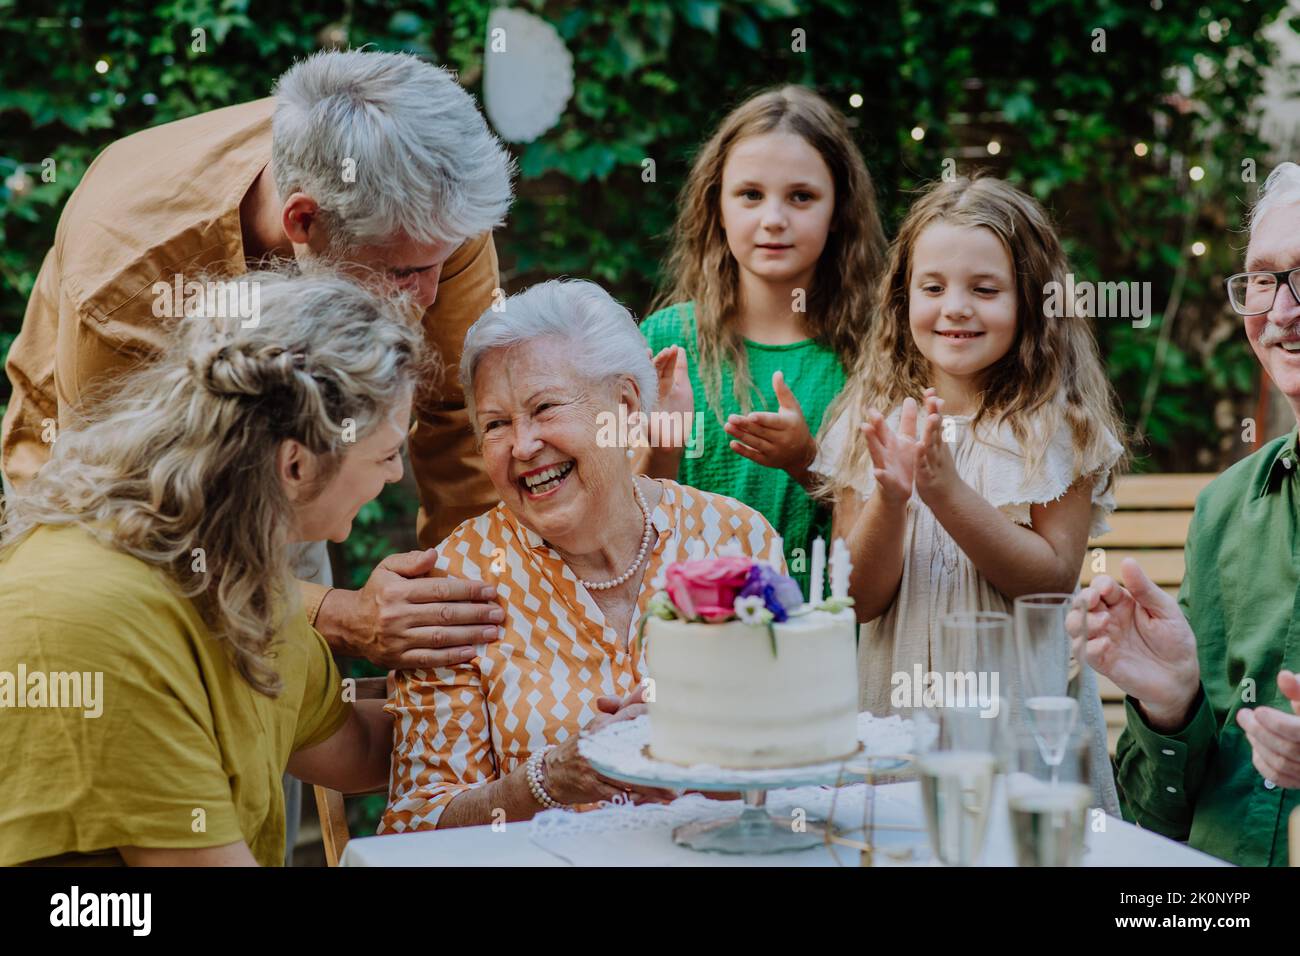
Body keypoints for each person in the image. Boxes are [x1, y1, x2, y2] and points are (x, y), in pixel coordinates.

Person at [1, 49, 514, 672]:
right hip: (116, 508)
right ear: (304, 220)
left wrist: (467, 620)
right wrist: (338, 615)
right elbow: (131, 520)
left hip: (271, 484)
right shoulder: (129, 273)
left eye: (440, 264)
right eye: (404, 274)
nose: (428, 299)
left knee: (297, 697)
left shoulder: (428, 211)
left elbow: (462, 421)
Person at [0, 270, 420, 866]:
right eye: (384, 453)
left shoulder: (238, 574)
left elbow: (356, 747)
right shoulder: (99, 619)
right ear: (295, 464)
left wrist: (545, 717)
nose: (397, 473)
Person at [381, 280, 784, 831]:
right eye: (496, 424)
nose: (522, 446)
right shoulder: (458, 580)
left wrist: (701, 739)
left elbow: (798, 753)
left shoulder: (736, 540)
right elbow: (414, 823)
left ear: (624, 404)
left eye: (544, 408)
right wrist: (546, 782)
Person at [811, 175, 1127, 812]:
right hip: (896, 719)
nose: (955, 307)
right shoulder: (868, 419)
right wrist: (893, 499)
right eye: (932, 288)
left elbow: (1050, 582)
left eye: (985, 289)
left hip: (1018, 725)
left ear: (1033, 303)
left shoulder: (1057, 427)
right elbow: (859, 599)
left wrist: (947, 492)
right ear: (903, 298)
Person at [1068, 161, 1300, 866]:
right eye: (1265, 279)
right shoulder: (1226, 509)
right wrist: (1172, 704)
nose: (1284, 311)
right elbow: (1148, 821)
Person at [638, 86, 886, 595]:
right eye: (751, 194)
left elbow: (891, 526)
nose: (774, 218)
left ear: (838, 209)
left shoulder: (876, 350)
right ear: (718, 205)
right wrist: (659, 443)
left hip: (825, 646)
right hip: (692, 639)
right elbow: (624, 519)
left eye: (801, 196)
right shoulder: (668, 339)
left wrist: (807, 461)